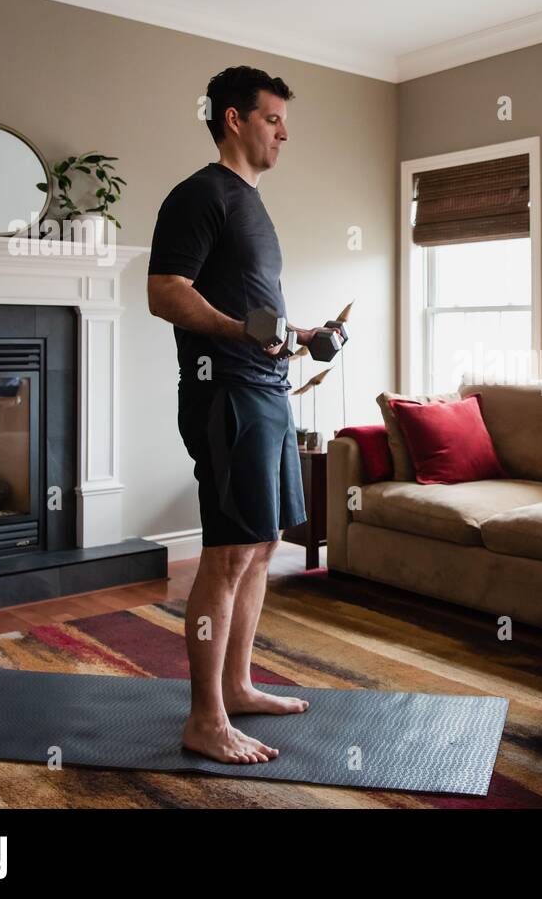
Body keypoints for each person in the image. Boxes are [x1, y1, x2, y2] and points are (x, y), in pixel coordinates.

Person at [147, 66, 326, 764]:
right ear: (234, 119)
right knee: (224, 554)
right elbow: (166, 291)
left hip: (268, 387)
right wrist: (236, 331)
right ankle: (205, 718)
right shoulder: (200, 195)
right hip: (225, 394)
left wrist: (302, 335)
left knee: (263, 543)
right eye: (273, 117)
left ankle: (239, 684)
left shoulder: (252, 203)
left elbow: (256, 310)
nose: (285, 130)